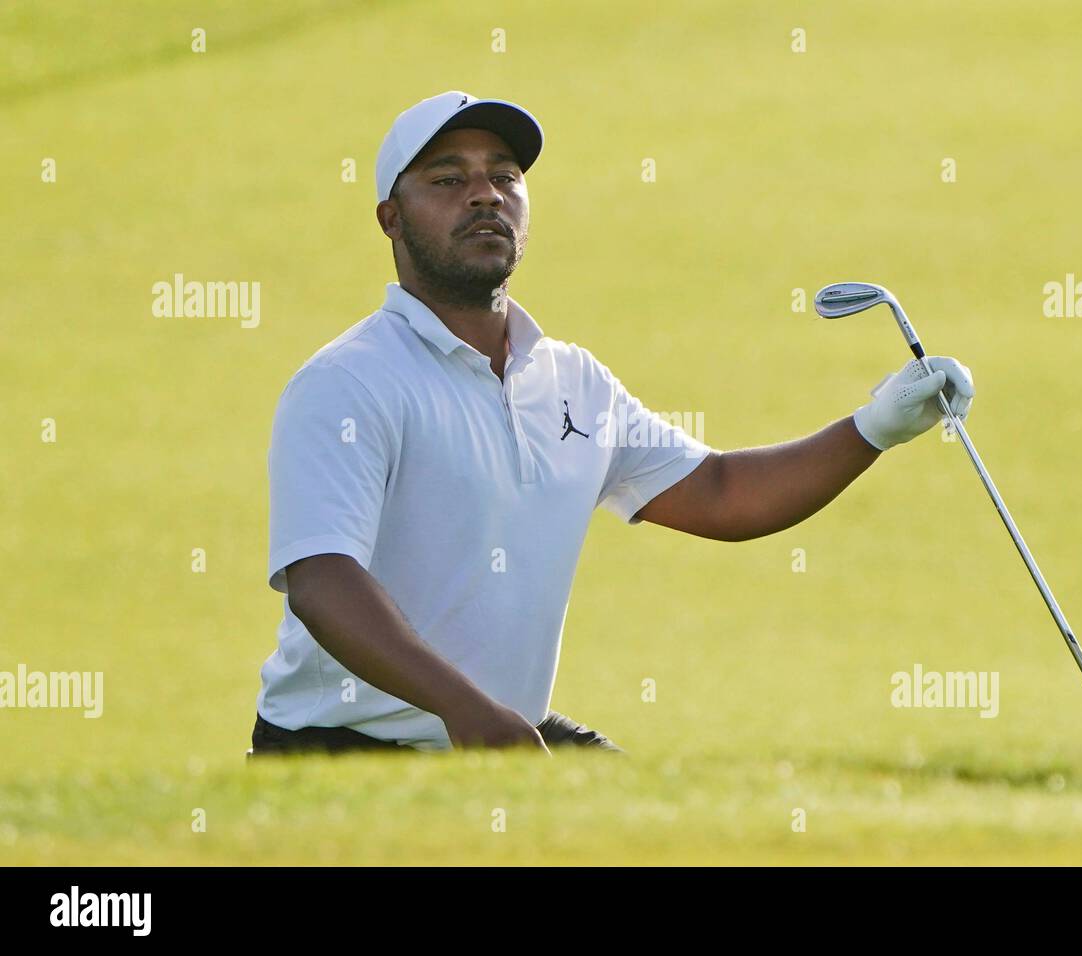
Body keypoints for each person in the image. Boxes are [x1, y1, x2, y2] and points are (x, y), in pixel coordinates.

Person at [249, 91, 974, 757]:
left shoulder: (572, 380)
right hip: (340, 750)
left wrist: (875, 425)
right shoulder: (347, 382)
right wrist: (464, 710)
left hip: (499, 734)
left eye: (505, 176)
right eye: (447, 179)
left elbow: (720, 491)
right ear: (391, 217)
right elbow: (322, 579)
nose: (484, 195)